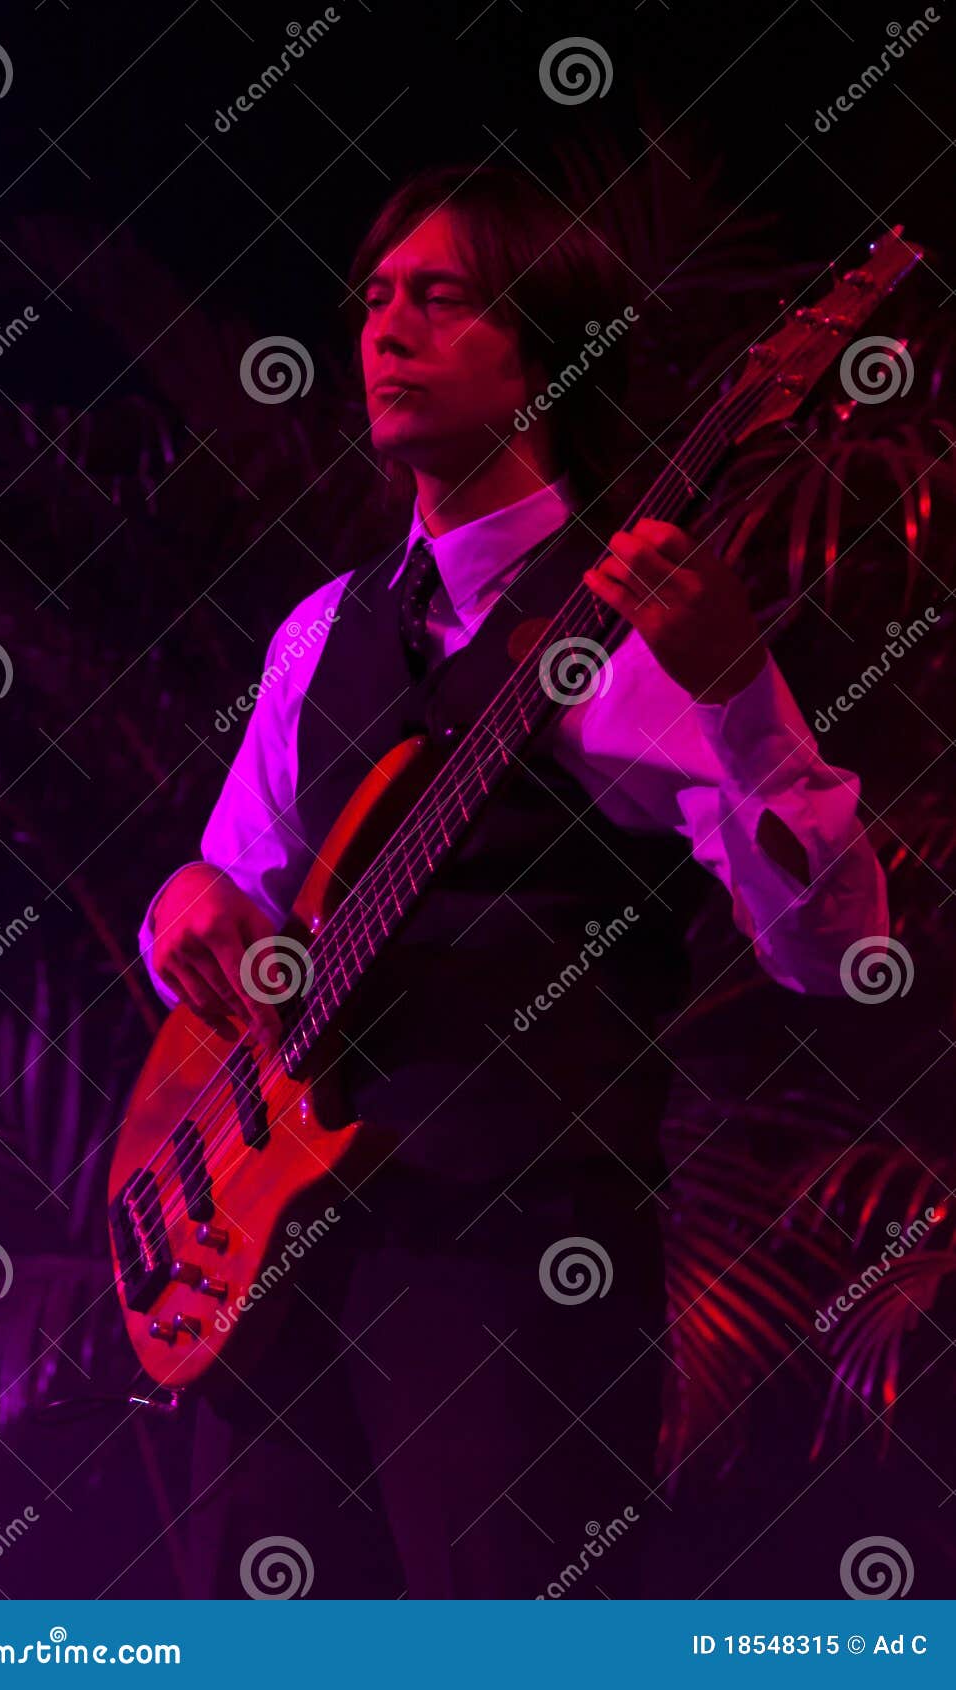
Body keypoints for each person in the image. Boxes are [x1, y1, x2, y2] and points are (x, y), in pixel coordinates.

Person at [138, 164, 888, 1598]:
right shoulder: (324, 630)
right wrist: (183, 896)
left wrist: (737, 696)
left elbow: (838, 943)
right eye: (375, 298)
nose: (385, 328)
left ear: (548, 348)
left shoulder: (643, 623)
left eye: (443, 297)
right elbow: (234, 883)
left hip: (511, 1277)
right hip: (271, 1272)